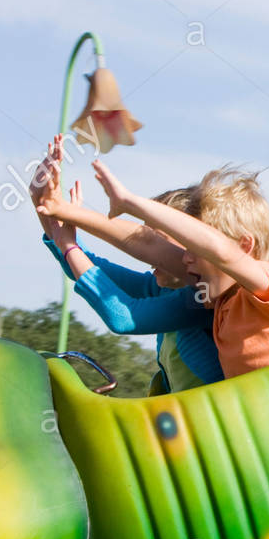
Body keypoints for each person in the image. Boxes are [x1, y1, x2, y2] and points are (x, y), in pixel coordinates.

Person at [31, 137, 222, 392]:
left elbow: (123, 317)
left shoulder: (200, 300)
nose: (145, 256)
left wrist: (69, 246)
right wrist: (46, 213)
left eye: (156, 246)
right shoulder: (163, 288)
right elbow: (89, 268)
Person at [90, 160, 269, 378]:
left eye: (194, 246)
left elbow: (221, 252)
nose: (185, 257)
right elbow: (150, 245)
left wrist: (129, 202)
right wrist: (63, 213)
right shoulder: (222, 302)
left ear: (244, 246)